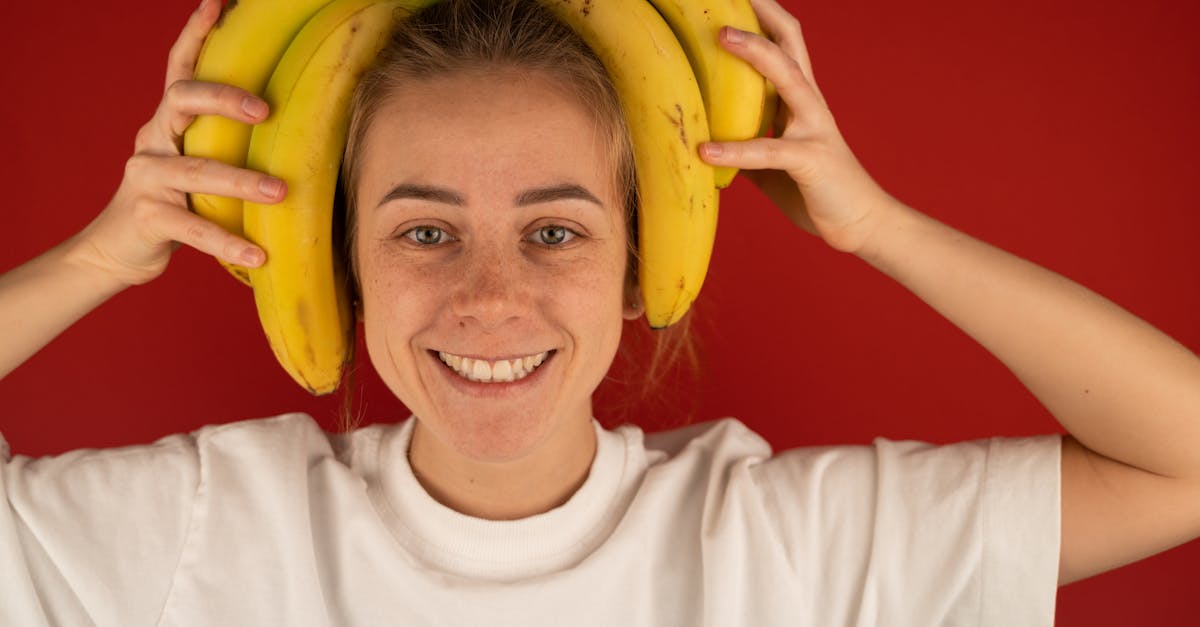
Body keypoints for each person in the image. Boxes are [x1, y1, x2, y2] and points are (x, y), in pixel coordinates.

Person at [1, 0, 1198, 624]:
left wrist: (876, 226)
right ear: (342, 265)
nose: (491, 295)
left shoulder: (792, 546)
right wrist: (99, 261)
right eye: (423, 230)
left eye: (556, 230)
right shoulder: (206, 523)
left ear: (640, 265)